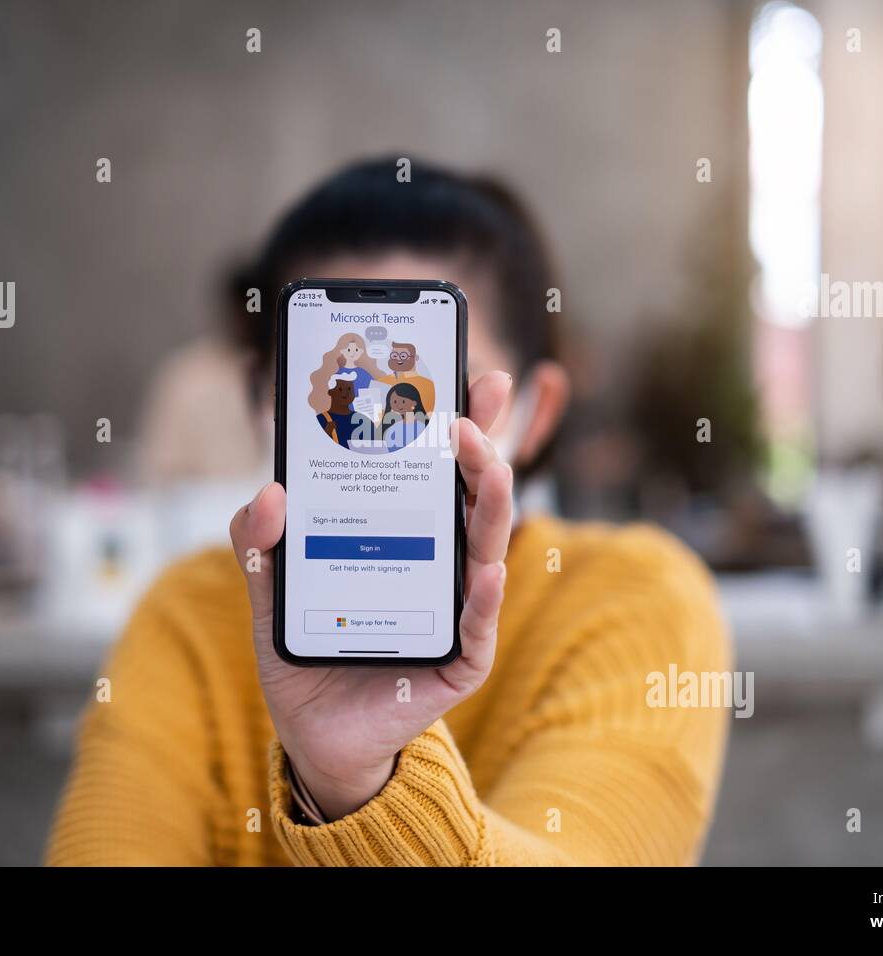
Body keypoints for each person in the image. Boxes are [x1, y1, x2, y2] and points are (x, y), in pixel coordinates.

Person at [47, 157, 730, 866]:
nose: (380, 438)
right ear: (262, 402)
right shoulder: (186, 615)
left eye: (441, 395)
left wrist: (363, 784)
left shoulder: (632, 598)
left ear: (537, 410)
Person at [316, 373, 373, 448]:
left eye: (349, 389)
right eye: (340, 389)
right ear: (330, 392)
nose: (345, 393)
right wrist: (327, 433)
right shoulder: (321, 419)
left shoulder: (363, 420)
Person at [376, 341, 435, 413]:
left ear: (415, 358)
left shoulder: (427, 384)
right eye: (394, 355)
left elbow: (428, 412)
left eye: (403, 356)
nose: (398, 358)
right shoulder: (381, 382)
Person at [380, 381, 428, 451]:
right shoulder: (392, 429)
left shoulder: (422, 427)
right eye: (395, 402)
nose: (399, 405)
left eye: (403, 401)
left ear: (414, 402)